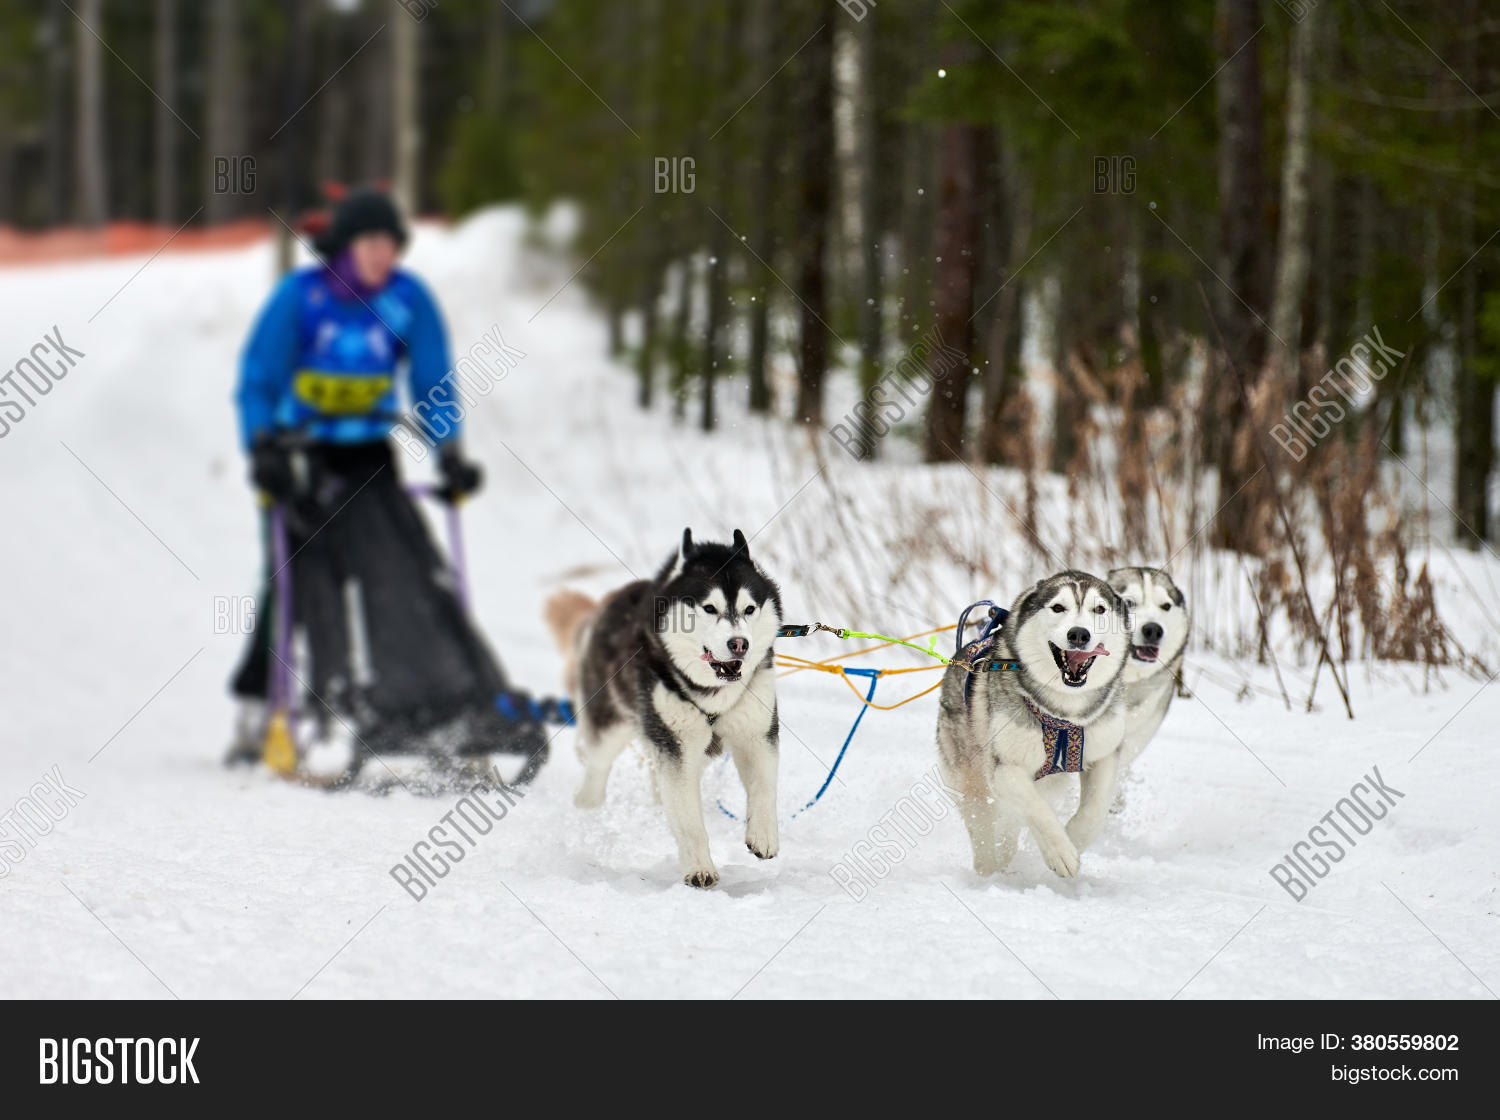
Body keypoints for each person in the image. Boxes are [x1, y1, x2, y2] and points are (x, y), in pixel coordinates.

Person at [226, 188, 543, 773]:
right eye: (371, 244)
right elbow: (259, 381)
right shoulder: (301, 298)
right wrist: (262, 442)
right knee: (295, 581)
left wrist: (449, 451)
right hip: (300, 457)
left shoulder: (407, 299)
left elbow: (433, 383)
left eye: (391, 245)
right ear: (344, 247)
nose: (382, 256)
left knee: (403, 572)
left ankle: (439, 706)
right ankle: (265, 704)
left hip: (368, 454)